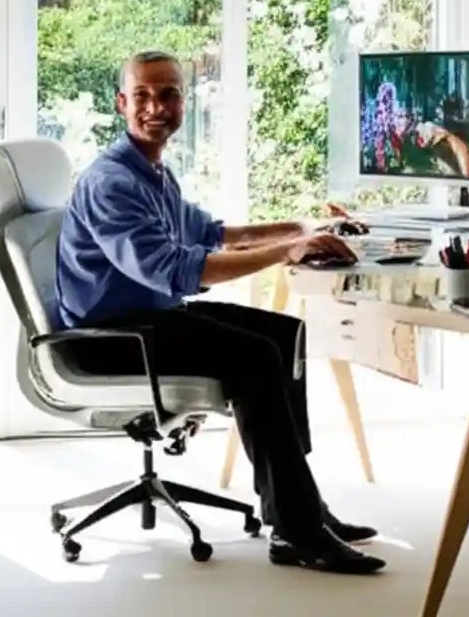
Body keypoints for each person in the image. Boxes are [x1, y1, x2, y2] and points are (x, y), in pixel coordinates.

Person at [51, 49, 386, 575]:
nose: (155, 106)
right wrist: (286, 253)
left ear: (184, 102)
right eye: (142, 95)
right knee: (253, 357)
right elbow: (171, 270)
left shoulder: (153, 173)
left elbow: (213, 235)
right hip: (109, 338)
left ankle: (298, 509)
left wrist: (298, 229)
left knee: (282, 335)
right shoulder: (113, 183)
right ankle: (299, 530)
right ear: (121, 103)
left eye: (168, 94)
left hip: (147, 320)